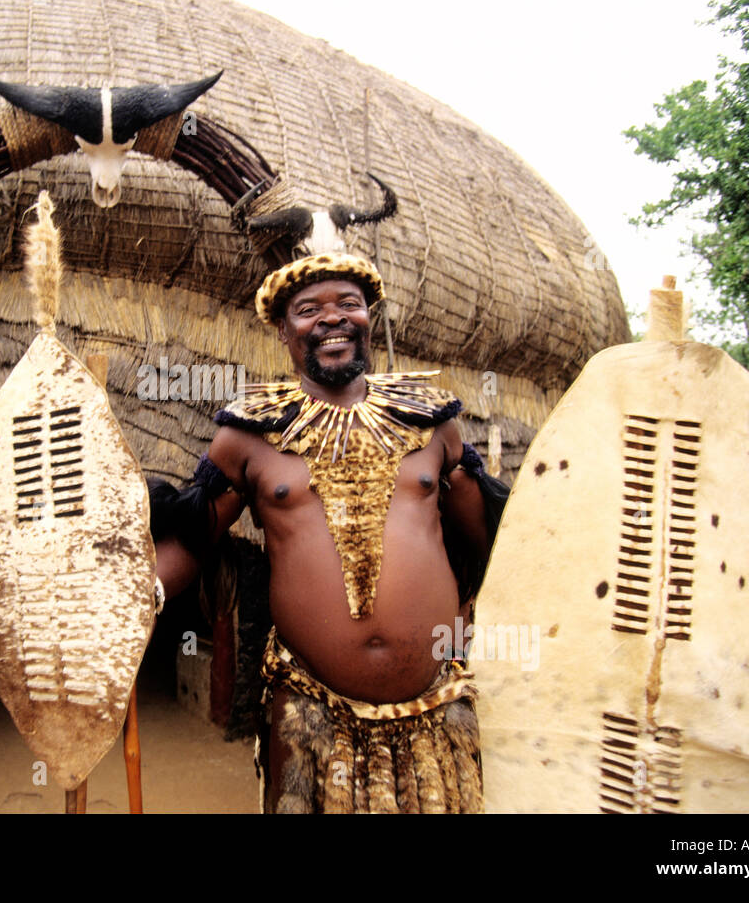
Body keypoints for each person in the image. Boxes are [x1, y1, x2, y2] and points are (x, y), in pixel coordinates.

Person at [152, 252, 507, 813]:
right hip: (310, 710)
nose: (331, 318)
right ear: (283, 330)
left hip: (434, 707)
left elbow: (490, 542)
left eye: (349, 304)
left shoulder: (432, 419)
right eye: (308, 309)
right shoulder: (249, 432)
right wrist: (132, 601)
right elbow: (196, 535)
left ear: (370, 316)